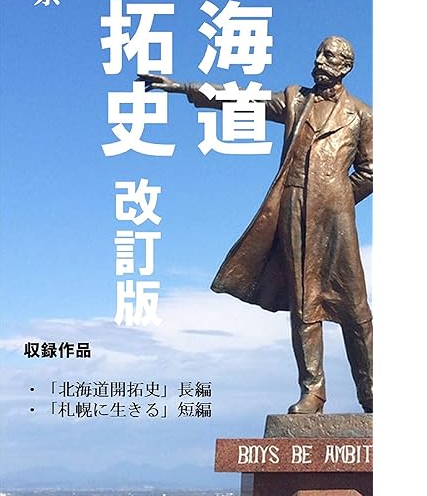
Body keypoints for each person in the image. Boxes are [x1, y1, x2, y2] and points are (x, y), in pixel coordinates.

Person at [140, 36, 373, 414]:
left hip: (336, 220)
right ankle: (313, 391)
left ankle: (371, 391)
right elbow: (244, 100)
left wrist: (337, 198)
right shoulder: (296, 99)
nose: (319, 60)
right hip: (293, 210)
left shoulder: (362, 115)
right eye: (318, 52)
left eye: (328, 55)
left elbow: (370, 172)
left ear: (345, 66)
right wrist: (184, 88)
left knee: (355, 308)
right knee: (304, 303)